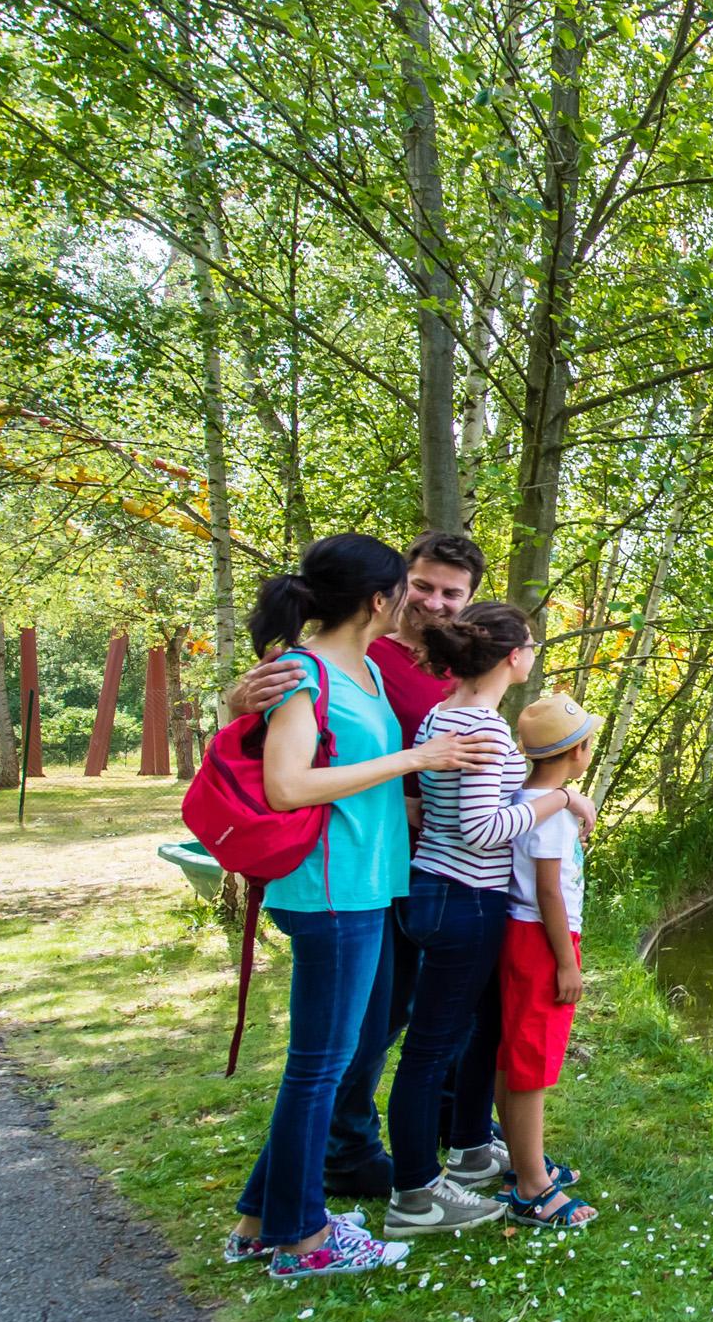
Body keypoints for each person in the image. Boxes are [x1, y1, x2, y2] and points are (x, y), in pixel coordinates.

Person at [222, 534, 492, 1278]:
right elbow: (287, 785)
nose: (420, 601)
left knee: (334, 1061)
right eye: (410, 588)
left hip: (373, 887)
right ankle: (304, 1240)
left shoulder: (367, 668)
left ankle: (256, 1221)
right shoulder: (306, 673)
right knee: (319, 1068)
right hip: (330, 891)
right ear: (383, 597)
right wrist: (416, 759)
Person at [383, 603, 594, 1237]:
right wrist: (559, 798)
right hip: (461, 899)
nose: (533, 654)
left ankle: (474, 1148)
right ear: (512, 656)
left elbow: (435, 809)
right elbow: (481, 830)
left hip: (451, 892)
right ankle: (415, 1194)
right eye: (529, 644)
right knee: (430, 1051)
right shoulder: (481, 727)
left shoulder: (443, 715)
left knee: (478, 1035)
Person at [498, 693, 602, 1228]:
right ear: (578, 752)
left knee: (514, 1055)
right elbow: (549, 893)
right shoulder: (552, 818)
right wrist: (567, 962)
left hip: (525, 935)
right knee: (532, 1065)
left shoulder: (529, 797)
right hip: (543, 939)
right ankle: (532, 1185)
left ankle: (523, 1164)